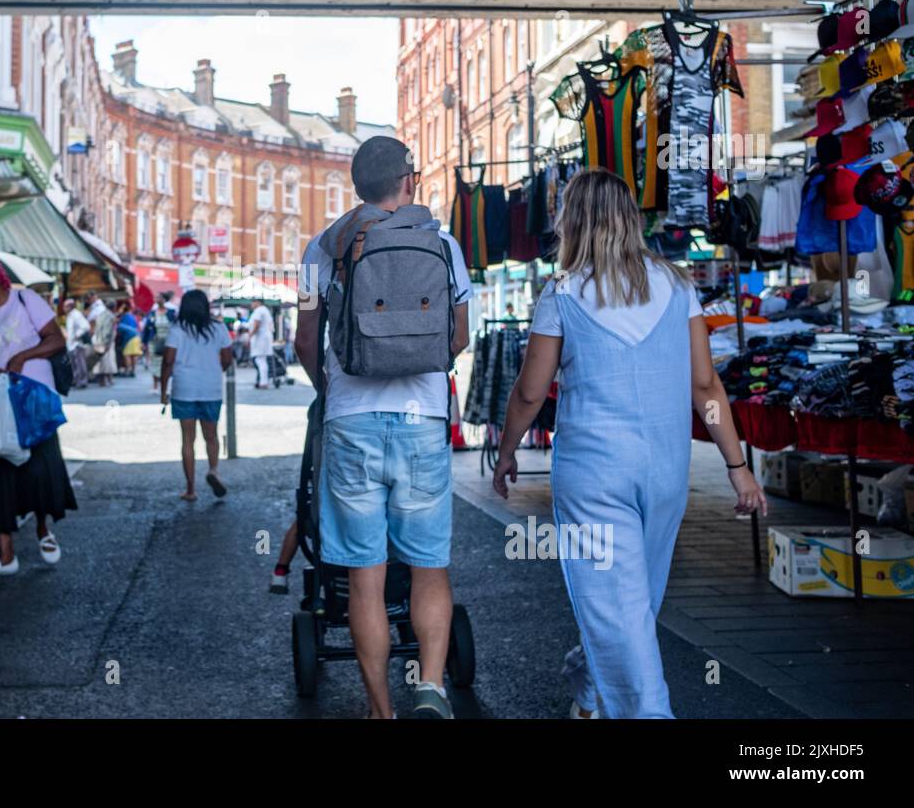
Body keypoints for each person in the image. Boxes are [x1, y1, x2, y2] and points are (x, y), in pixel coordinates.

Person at [491, 169, 768, 720]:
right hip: (665, 471)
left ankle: (618, 698)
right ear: (629, 218)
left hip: (593, 473)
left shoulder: (562, 291)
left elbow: (529, 390)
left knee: (621, 608)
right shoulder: (677, 284)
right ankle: (600, 698)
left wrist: (506, 452)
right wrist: (737, 465)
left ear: (573, 221)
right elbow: (706, 386)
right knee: (630, 606)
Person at [295, 135, 472, 719]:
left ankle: (380, 710)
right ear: (409, 181)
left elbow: (304, 341)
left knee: (365, 578)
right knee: (428, 566)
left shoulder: (319, 250)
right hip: (423, 421)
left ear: (356, 187)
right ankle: (430, 688)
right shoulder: (443, 242)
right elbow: (459, 338)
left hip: (351, 423)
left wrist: (335, 391)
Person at [0, 258, 78, 579]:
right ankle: (6, 555)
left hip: (33, 402)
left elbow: (56, 339)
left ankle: (43, 530)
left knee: (39, 469)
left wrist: (22, 356)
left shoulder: (27, 300)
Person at [159, 289, 233, 502]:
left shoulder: (177, 329)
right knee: (211, 435)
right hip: (211, 389)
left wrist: (163, 391)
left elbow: (168, 361)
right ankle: (213, 471)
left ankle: (191, 489)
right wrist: (213, 370)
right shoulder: (219, 328)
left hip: (184, 389)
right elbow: (228, 359)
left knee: (188, 440)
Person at [143, 292, 176, 394]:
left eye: (159, 298)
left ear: (164, 299)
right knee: (155, 363)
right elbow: (147, 328)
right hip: (155, 341)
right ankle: (155, 386)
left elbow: (176, 326)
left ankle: (166, 386)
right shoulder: (152, 313)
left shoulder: (171, 312)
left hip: (169, 341)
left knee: (168, 362)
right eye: (156, 298)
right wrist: (144, 341)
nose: (157, 300)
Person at [63, 298, 92, 390]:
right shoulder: (70, 315)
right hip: (71, 344)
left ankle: (82, 381)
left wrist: (76, 336)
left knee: (80, 363)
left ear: (69, 307)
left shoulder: (76, 314)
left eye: (65, 306)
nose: (63, 308)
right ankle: (76, 380)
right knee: (74, 364)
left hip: (77, 344)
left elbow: (86, 326)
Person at [247, 297, 275, 388]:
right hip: (265, 338)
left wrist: (250, 335)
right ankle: (262, 381)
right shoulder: (266, 310)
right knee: (262, 360)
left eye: (252, 302)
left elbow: (256, 324)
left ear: (257, 302)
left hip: (260, 339)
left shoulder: (259, 311)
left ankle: (263, 382)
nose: (251, 305)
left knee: (260, 360)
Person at [91, 298, 119, 387]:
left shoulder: (100, 315)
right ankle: (109, 379)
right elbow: (108, 331)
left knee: (100, 361)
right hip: (106, 341)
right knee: (108, 360)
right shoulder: (110, 316)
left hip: (97, 339)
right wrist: (107, 342)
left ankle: (102, 381)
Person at [116, 301, 142, 376]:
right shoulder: (132, 317)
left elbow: (120, 329)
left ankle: (128, 370)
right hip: (136, 336)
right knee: (134, 355)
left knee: (127, 354)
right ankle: (133, 371)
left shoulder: (125, 317)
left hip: (130, 338)